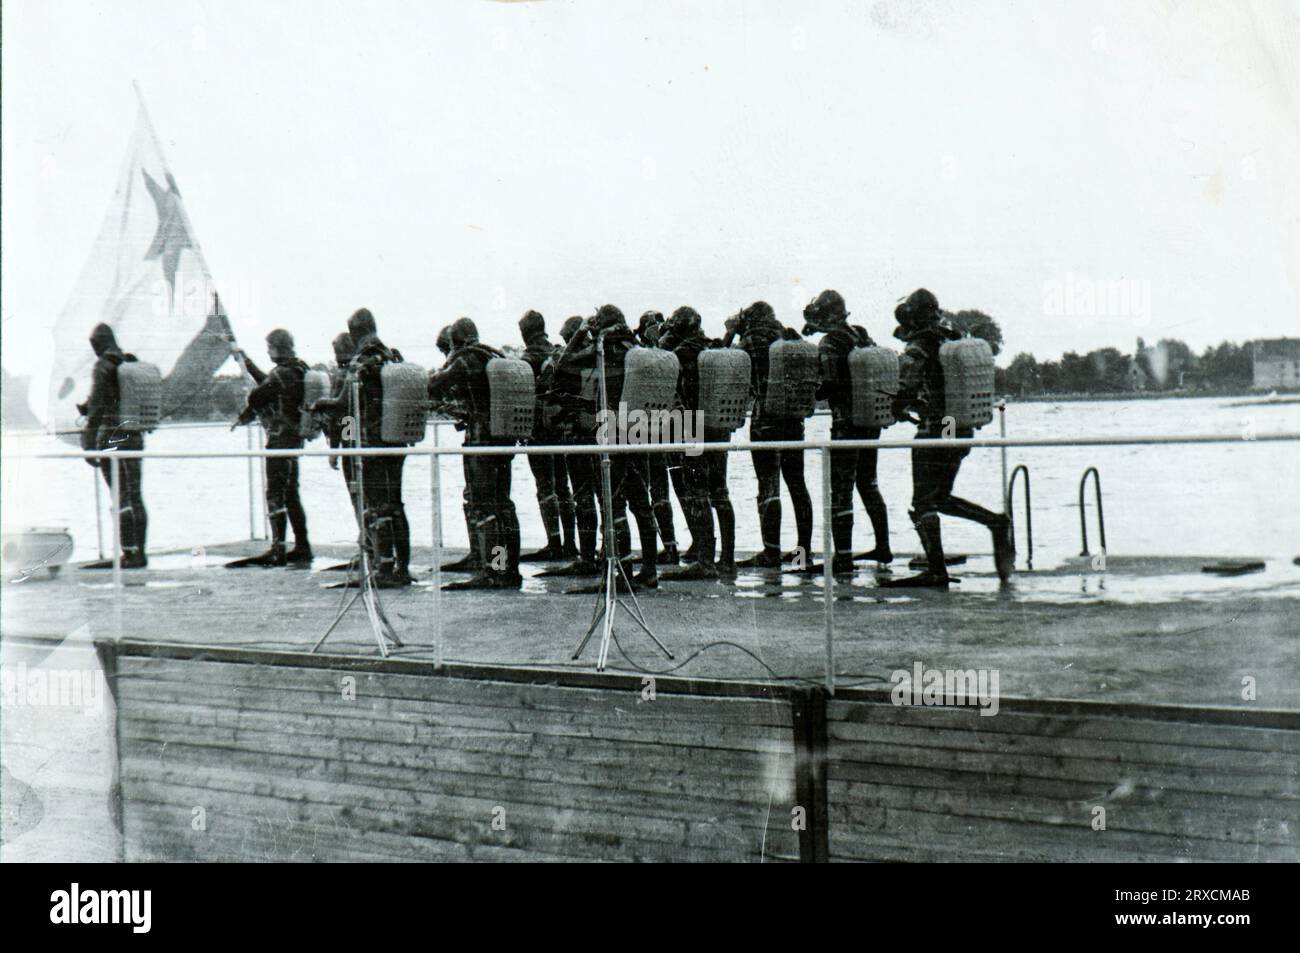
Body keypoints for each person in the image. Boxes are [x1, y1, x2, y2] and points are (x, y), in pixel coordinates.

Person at [881, 289, 1015, 589]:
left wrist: (896, 407)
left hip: (936, 428)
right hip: (960, 427)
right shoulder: (952, 337)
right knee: (939, 497)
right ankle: (996, 522)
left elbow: (908, 381)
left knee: (922, 501)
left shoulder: (922, 343)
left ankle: (936, 570)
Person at [548, 305, 659, 590]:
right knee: (641, 503)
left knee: (613, 504)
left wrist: (580, 332)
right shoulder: (635, 346)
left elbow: (564, 366)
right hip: (637, 431)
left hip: (611, 433)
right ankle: (649, 570)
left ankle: (619, 575)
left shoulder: (605, 348)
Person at [313, 308, 413, 587]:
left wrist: (319, 405)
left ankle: (382, 569)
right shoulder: (393, 355)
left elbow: (344, 404)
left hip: (369, 445)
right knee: (395, 505)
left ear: (355, 333)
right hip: (396, 441)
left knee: (375, 506)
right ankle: (402, 568)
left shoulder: (362, 360)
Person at [427, 317, 523, 590]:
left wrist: (443, 366)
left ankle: (493, 571)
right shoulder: (493, 355)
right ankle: (508, 569)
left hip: (480, 440)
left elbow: (435, 385)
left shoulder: (466, 359)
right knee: (503, 504)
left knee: (484, 506)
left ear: (457, 341)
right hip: (502, 438)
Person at [802, 289, 891, 574]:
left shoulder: (830, 343)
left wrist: (810, 392)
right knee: (869, 483)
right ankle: (883, 546)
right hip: (871, 421)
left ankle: (842, 557)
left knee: (841, 489)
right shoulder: (860, 334)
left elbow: (830, 384)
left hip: (845, 423)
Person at [726, 302, 814, 569]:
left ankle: (771, 553)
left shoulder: (752, 340)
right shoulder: (789, 336)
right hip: (795, 421)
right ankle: (803, 555)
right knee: (797, 484)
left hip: (766, 420)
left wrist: (730, 333)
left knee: (768, 486)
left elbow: (728, 365)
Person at [662, 306, 735, 580]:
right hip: (719, 429)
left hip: (692, 429)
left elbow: (663, 367)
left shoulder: (681, 353)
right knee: (721, 492)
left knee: (697, 494)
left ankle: (705, 561)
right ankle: (727, 559)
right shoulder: (716, 349)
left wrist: (666, 338)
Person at [231, 330, 314, 566]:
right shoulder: (299, 368)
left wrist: (247, 406)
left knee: (275, 493)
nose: (268, 351)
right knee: (291, 493)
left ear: (277, 348)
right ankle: (302, 545)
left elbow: (257, 396)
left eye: (269, 347)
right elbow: (268, 382)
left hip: (279, 440)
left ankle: (277, 548)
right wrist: (245, 361)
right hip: (294, 439)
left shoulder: (281, 373)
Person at [78, 323, 148, 569]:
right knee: (134, 495)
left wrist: (88, 443)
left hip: (112, 439)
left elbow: (98, 406)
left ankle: (130, 555)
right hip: (135, 436)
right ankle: (139, 552)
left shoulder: (102, 366)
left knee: (121, 497)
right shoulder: (129, 363)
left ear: (97, 343)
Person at [517, 311, 577, 561]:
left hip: (538, 429)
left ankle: (554, 543)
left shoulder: (526, 359)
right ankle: (571, 544)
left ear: (525, 333)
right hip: (562, 427)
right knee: (564, 486)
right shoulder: (559, 353)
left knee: (545, 487)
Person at [635, 309, 682, 564]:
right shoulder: (663, 353)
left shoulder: (654, 353)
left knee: (658, 491)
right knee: (658, 490)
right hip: (653, 427)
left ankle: (669, 547)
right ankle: (668, 546)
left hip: (655, 428)